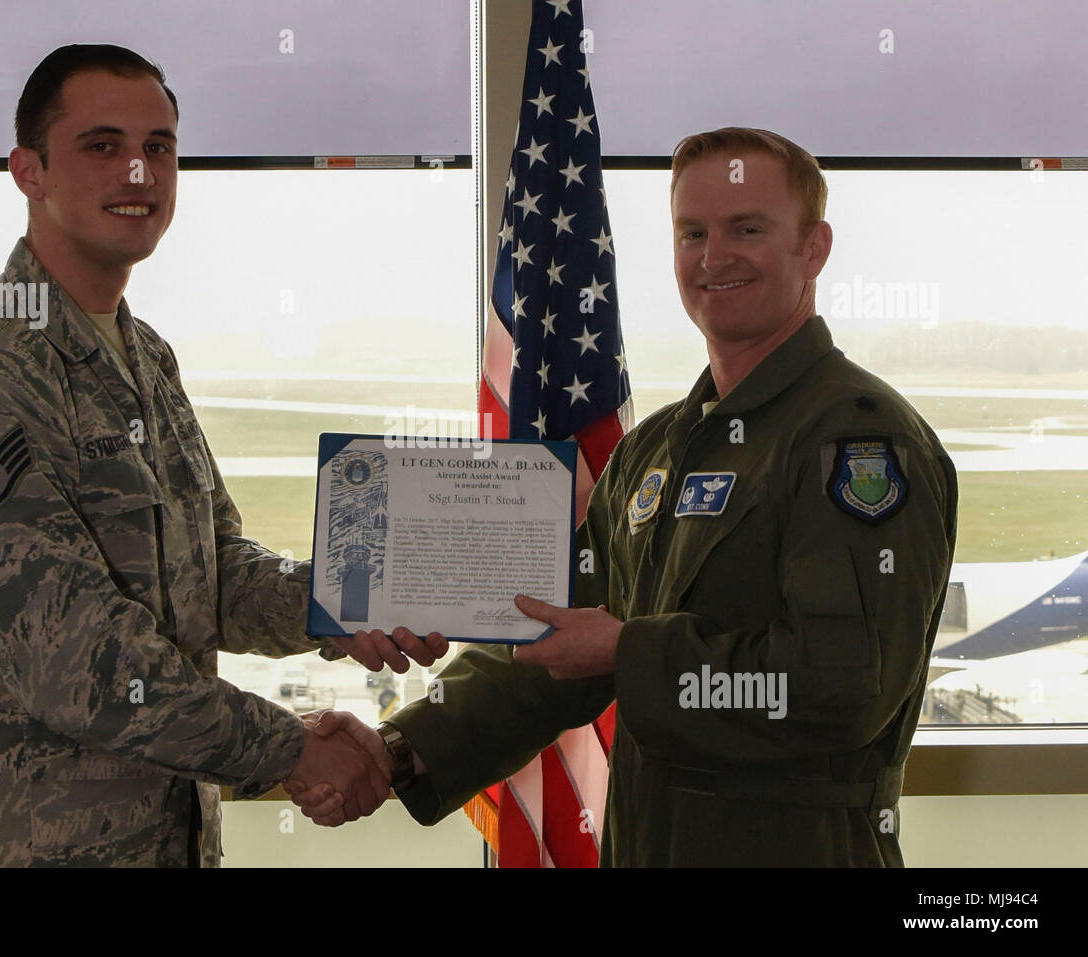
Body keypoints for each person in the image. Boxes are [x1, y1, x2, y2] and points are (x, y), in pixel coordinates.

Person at [291, 128, 959, 866]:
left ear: (814, 249)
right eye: (692, 232)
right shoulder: (655, 450)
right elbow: (551, 644)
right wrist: (399, 748)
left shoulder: (858, 440)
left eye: (748, 229)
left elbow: (842, 685)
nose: (714, 257)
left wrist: (629, 649)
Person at [0, 44, 443, 867]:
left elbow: (214, 573)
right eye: (102, 146)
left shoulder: (145, 356)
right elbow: (78, 654)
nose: (140, 173)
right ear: (28, 171)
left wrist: (345, 598)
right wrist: (293, 746)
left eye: (159, 147)